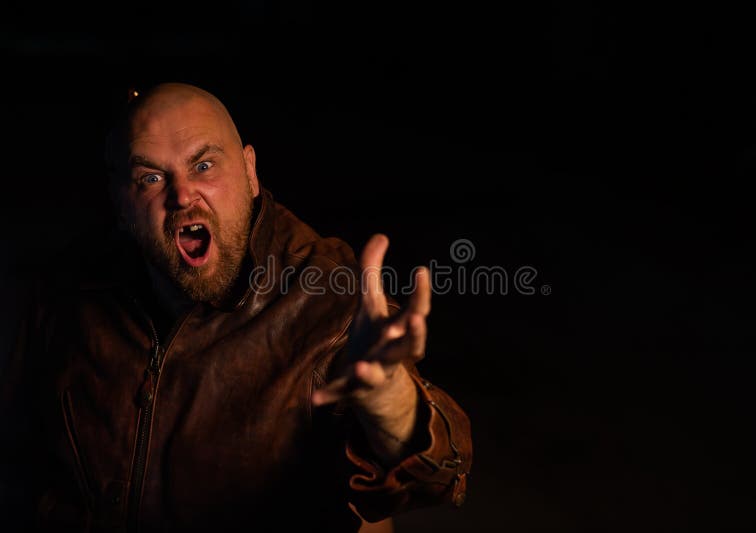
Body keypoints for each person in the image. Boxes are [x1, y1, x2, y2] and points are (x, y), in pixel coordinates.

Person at [0, 83, 472, 532]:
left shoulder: (327, 295)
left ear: (250, 172)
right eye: (151, 178)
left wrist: (388, 400)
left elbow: (434, 479)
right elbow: (20, 462)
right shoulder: (64, 290)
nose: (182, 195)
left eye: (204, 165)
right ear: (121, 204)